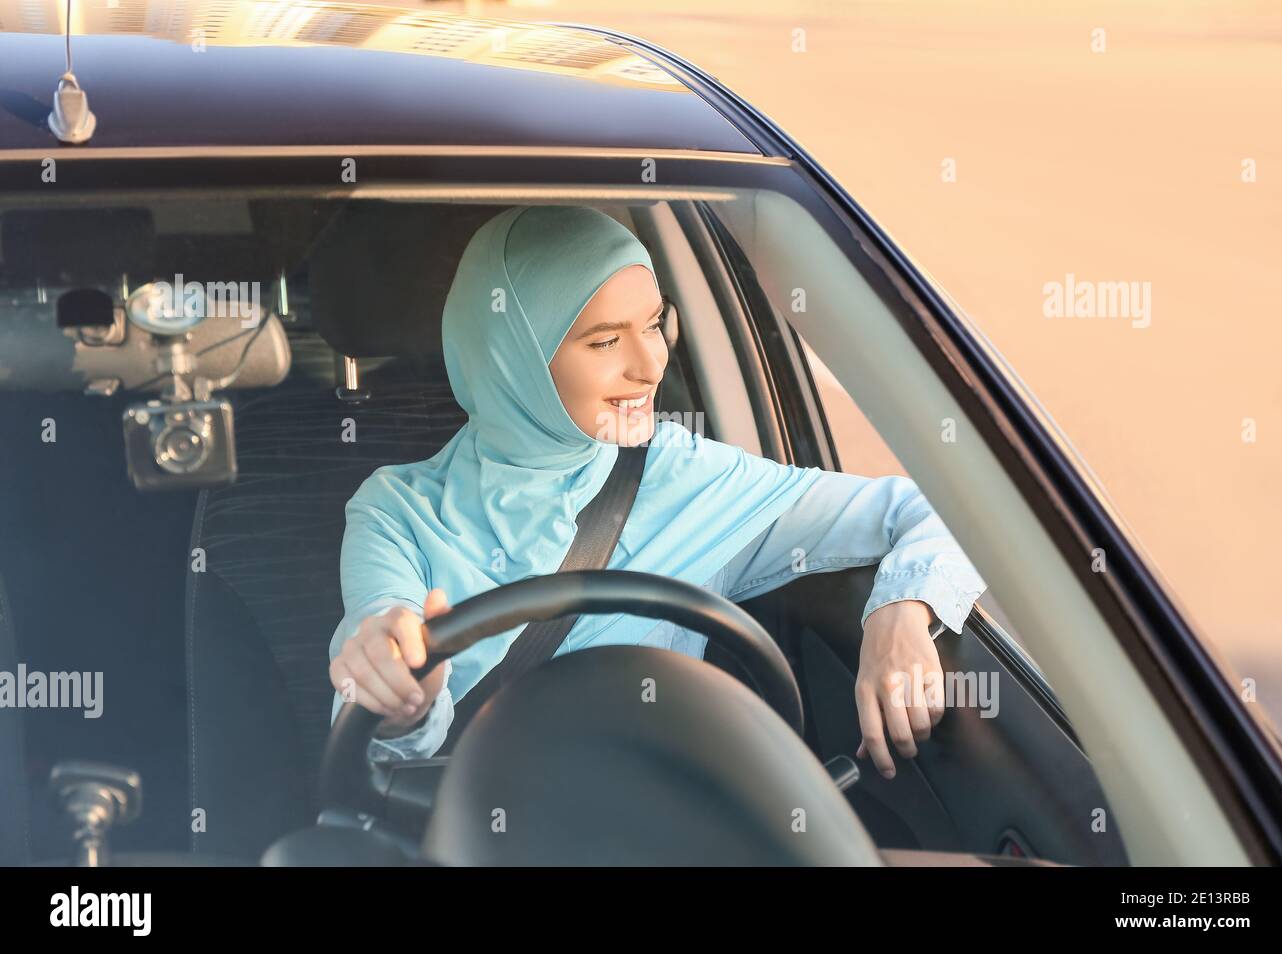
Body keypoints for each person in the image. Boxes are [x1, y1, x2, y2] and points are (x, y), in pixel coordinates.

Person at [327, 205, 987, 779]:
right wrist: (403, 698)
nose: (649, 365)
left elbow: (936, 509)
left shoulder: (683, 472)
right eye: (606, 340)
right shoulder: (395, 511)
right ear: (514, 355)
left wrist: (899, 612)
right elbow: (378, 656)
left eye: (655, 322)